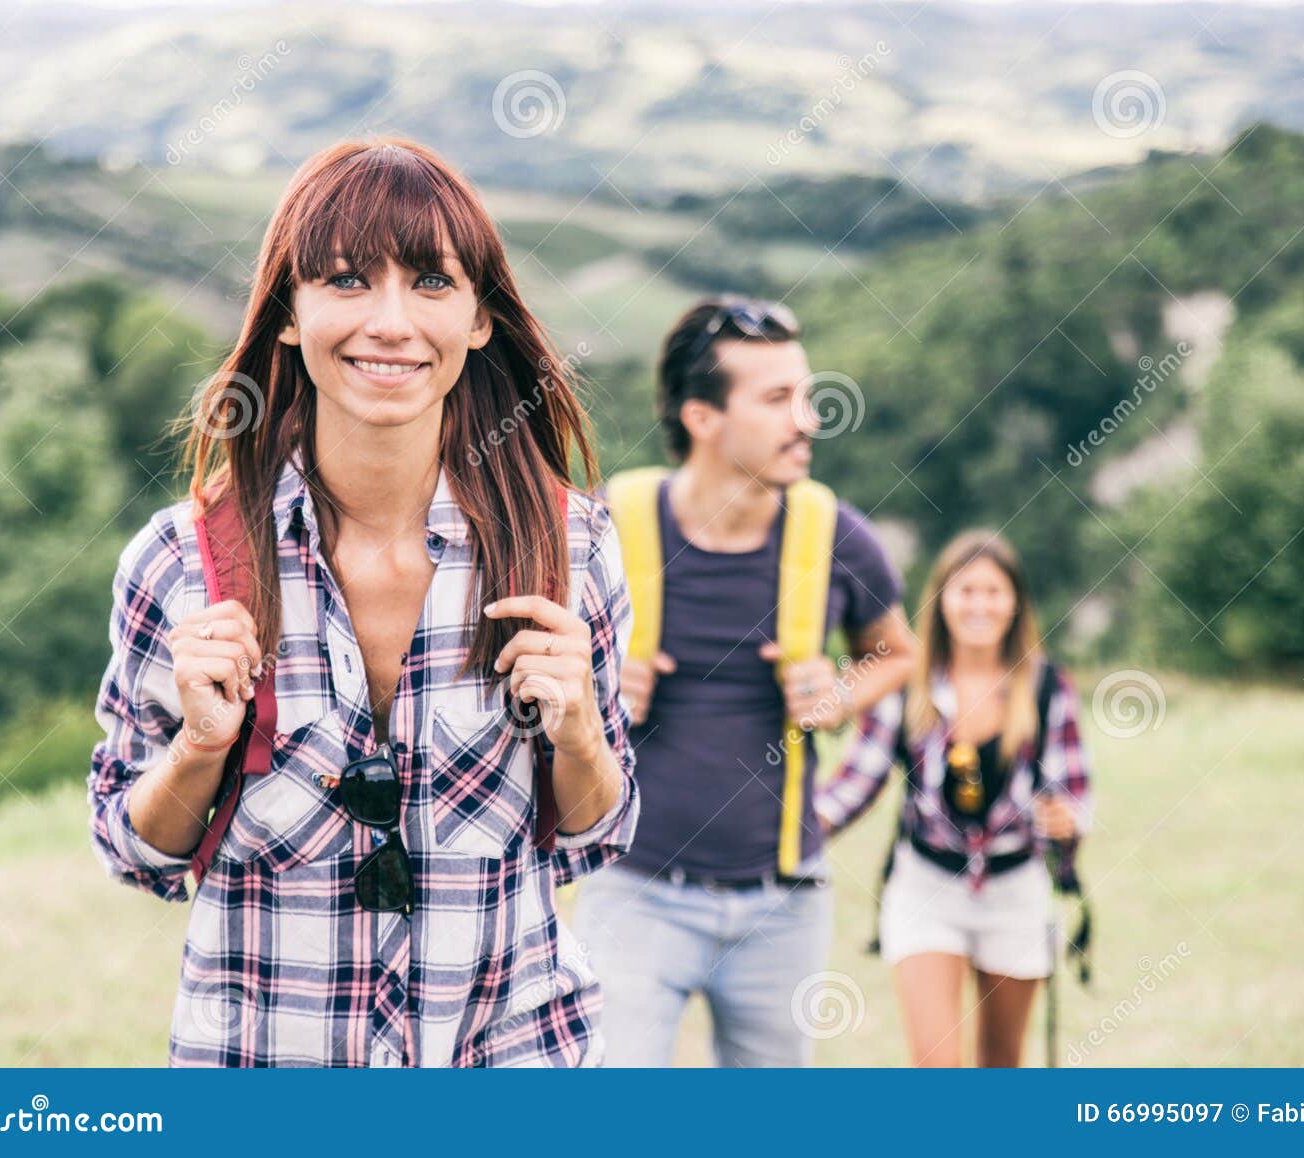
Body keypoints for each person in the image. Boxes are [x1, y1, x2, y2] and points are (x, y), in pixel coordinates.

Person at [86, 137, 639, 1067]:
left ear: (478, 320)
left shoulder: (568, 548)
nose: (390, 322)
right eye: (346, 281)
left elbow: (596, 833)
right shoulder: (182, 562)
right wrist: (199, 749)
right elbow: (137, 851)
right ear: (290, 314)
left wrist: (580, 730)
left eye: (431, 283)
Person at [571, 296, 916, 1066]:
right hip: (633, 887)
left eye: (805, 392)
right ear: (703, 418)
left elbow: (897, 651)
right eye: (777, 399)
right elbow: (520, 662)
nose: (809, 418)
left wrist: (839, 693)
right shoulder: (605, 526)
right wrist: (595, 684)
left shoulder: (835, 533)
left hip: (783, 904)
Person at [817, 529, 1095, 1067]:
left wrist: (1066, 821)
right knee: (936, 1068)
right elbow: (857, 780)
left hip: (1015, 887)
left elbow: (1072, 792)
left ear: (1015, 603)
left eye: (993, 592)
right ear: (941, 600)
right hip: (927, 886)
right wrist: (798, 828)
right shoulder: (907, 684)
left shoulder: (1046, 687)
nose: (979, 605)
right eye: (965, 591)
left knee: (1000, 1068)